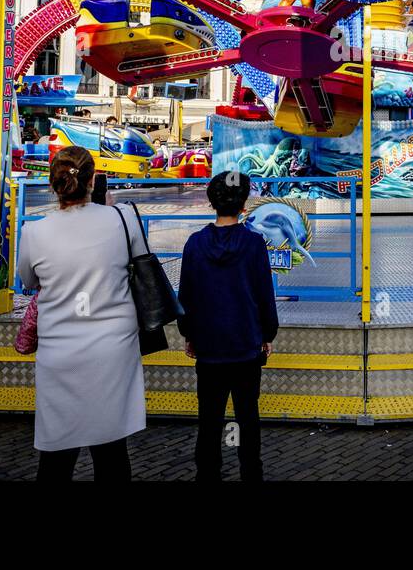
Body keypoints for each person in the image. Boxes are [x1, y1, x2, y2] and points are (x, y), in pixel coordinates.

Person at [16, 145, 146, 481]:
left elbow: (29, 280)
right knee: (112, 451)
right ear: (92, 181)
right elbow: (141, 260)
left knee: (57, 454)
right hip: (113, 349)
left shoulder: (34, 231)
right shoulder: (123, 218)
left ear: (53, 184)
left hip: (60, 352)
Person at [177, 171, 279, 482]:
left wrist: (189, 334)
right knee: (248, 417)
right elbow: (264, 295)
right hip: (246, 346)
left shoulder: (195, 244)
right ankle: (251, 474)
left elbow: (186, 297)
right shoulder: (254, 244)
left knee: (209, 419)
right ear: (243, 204)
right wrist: (267, 335)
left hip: (208, 349)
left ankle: (207, 475)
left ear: (211, 202)